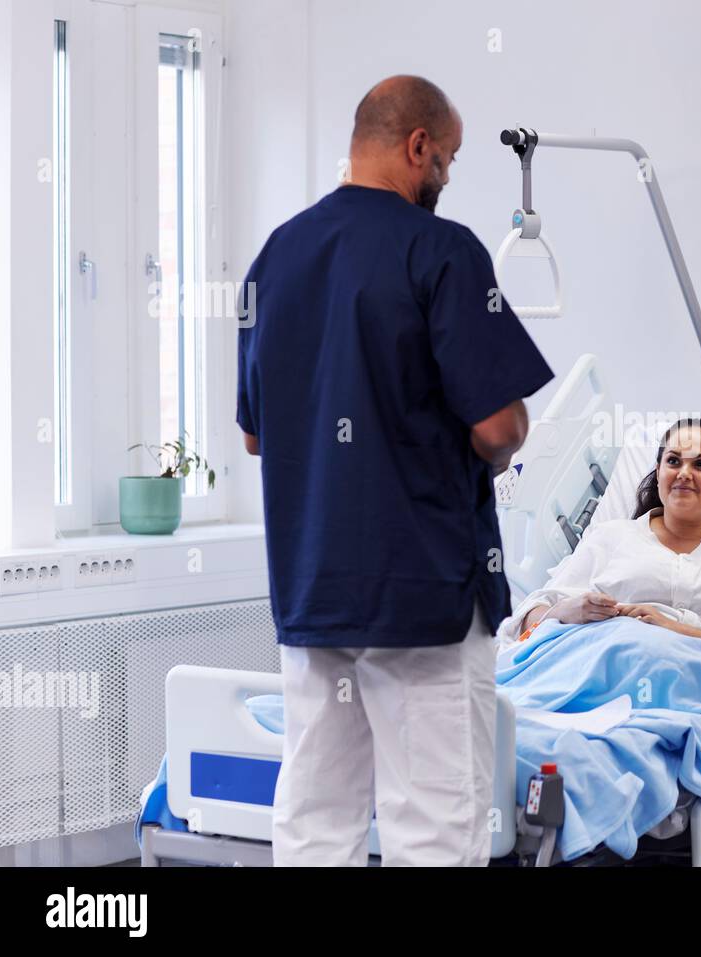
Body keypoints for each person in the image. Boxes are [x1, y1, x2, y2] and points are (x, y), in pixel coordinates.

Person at [236, 75, 554, 866]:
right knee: (435, 830)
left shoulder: (276, 255)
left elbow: (253, 437)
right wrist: (502, 437)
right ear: (418, 147)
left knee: (314, 820)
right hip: (423, 598)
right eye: (446, 159)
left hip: (313, 594)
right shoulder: (441, 252)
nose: (446, 177)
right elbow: (497, 425)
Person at [499, 418, 701, 655]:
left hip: (695, 681)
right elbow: (521, 625)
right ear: (659, 471)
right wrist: (565, 610)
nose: (684, 473)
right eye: (674, 461)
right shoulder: (611, 537)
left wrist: (675, 630)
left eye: (700, 464)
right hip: (591, 666)